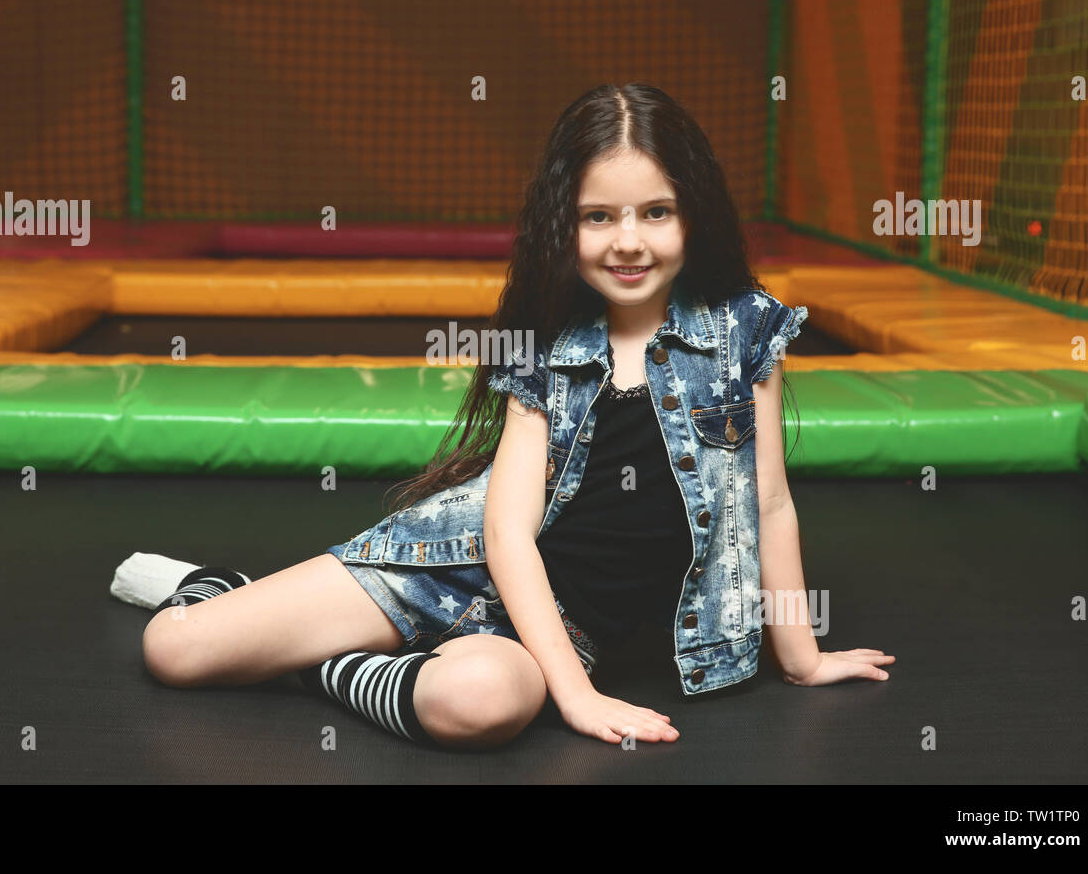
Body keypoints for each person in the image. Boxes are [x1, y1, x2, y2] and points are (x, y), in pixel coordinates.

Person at [116, 82, 895, 751]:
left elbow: (768, 504)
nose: (629, 241)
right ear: (567, 222)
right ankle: (223, 591)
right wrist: (579, 702)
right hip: (452, 565)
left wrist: (800, 655)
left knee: (479, 704)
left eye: (656, 212)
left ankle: (320, 659)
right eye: (600, 217)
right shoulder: (546, 340)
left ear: (694, 213)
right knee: (173, 650)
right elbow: (505, 532)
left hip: (554, 631)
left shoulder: (745, 327)